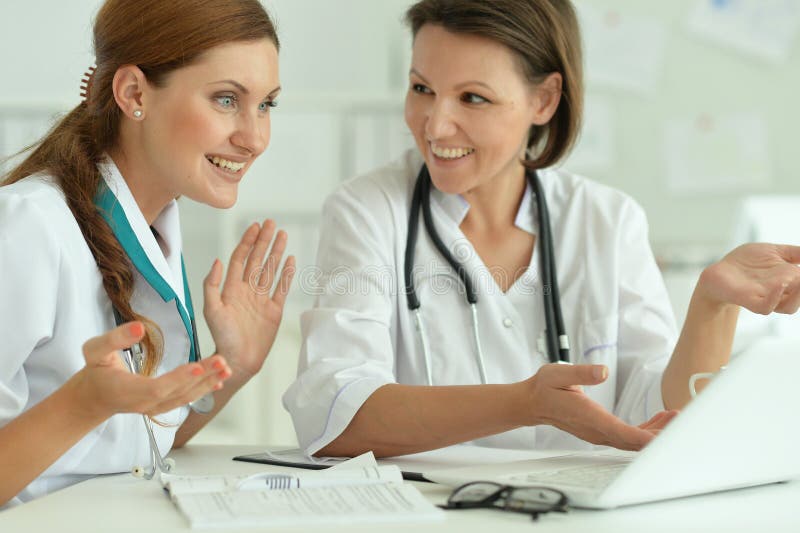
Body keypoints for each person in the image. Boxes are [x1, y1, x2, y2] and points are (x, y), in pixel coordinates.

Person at [283, 0, 800, 458]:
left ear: (545, 100)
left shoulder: (607, 221)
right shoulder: (369, 210)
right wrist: (527, 404)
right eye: (422, 88)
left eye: (473, 98)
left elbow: (660, 412)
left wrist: (713, 304)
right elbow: (335, 412)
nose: (435, 125)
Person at [0, 0, 295, 507]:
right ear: (134, 93)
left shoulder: (152, 228)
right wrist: (82, 404)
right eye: (226, 100)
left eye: (267, 104)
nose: (255, 137)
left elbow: (141, 443)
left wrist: (234, 364)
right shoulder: (29, 227)